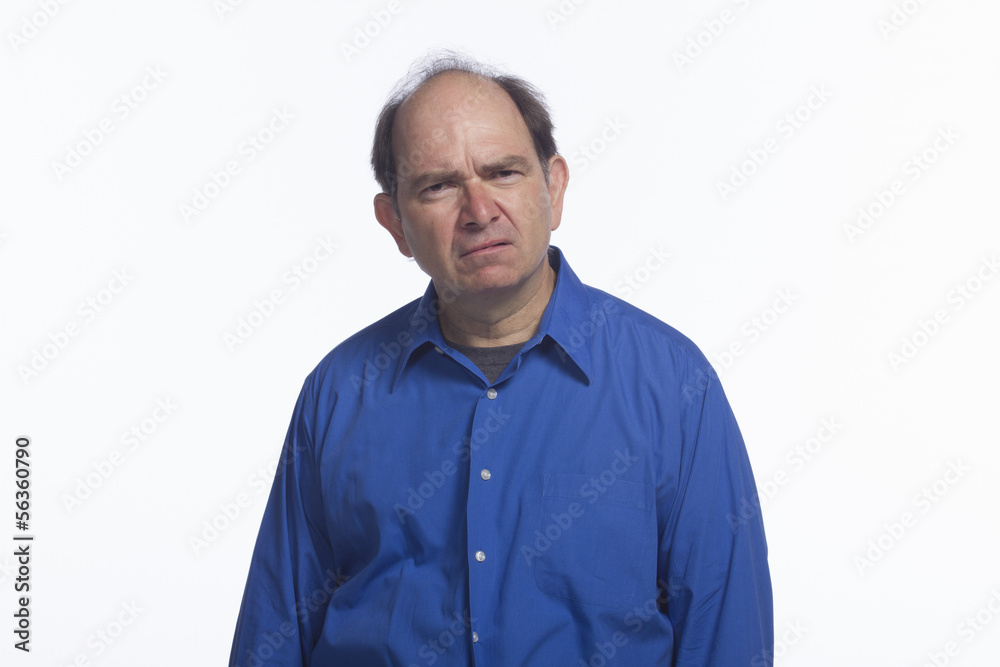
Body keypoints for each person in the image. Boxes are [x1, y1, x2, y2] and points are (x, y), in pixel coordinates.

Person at [230, 52, 773, 666]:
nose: (480, 211)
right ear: (395, 223)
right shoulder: (337, 392)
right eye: (438, 186)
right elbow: (274, 632)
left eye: (504, 173)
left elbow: (726, 636)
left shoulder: (672, 385)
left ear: (554, 188)